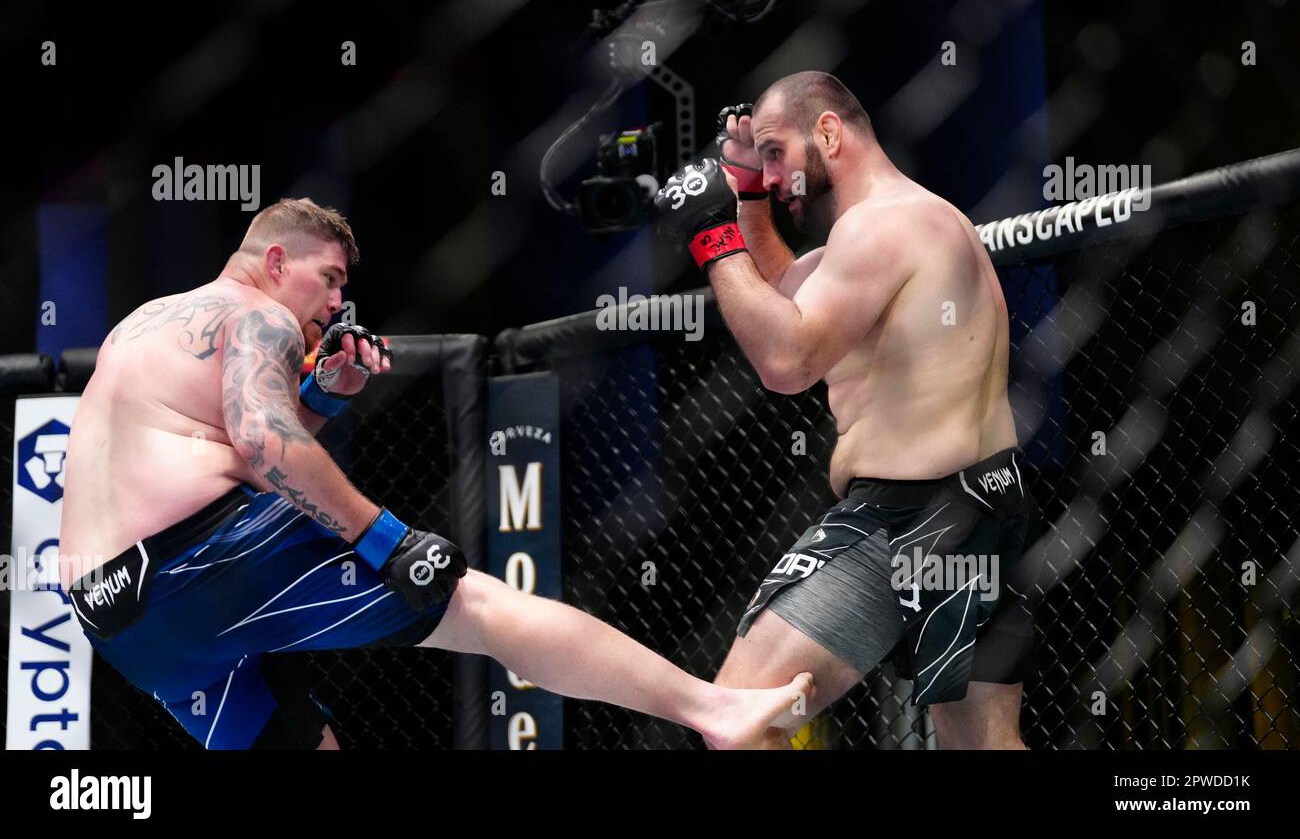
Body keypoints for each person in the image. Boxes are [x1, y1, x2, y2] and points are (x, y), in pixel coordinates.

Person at [59, 196, 811, 749]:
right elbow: (261, 443)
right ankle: (712, 712)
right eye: (327, 278)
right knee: (477, 605)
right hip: (197, 564)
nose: (336, 301)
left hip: (117, 621)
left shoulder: (147, 321)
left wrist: (319, 396)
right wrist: (384, 539)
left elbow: (216, 449)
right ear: (276, 261)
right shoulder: (262, 317)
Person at [652, 71, 1044, 749]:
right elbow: (780, 296)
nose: (771, 175)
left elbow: (786, 363)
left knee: (739, 720)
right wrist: (744, 197)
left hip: (904, 516)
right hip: (983, 505)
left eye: (774, 153)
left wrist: (712, 235)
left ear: (828, 132)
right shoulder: (913, 220)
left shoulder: (879, 228)